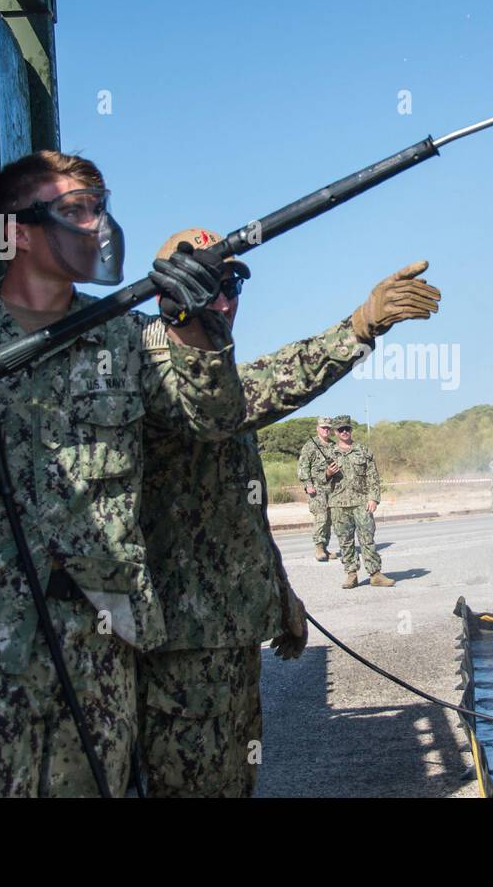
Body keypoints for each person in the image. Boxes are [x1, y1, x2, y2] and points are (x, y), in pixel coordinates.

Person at [0, 151, 244, 797]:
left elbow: (214, 419)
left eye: (101, 207)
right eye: (75, 211)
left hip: (100, 643)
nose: (99, 226)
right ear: (17, 232)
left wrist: (195, 326)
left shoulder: (129, 338)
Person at [139, 232, 440, 795]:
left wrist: (279, 595)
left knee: (232, 779)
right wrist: (355, 330)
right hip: (177, 643)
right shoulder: (154, 365)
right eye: (210, 287)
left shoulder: (214, 371)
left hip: (222, 632)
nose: (226, 301)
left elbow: (234, 514)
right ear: (172, 290)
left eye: (233, 285)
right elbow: (266, 387)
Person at [324, 415, 390, 589]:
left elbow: (373, 477)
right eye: (340, 430)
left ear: (351, 430)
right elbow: (317, 479)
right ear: (335, 432)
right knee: (345, 541)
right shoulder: (329, 453)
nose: (344, 432)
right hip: (339, 503)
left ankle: (375, 574)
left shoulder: (363, 450)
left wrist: (373, 498)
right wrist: (328, 473)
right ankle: (351, 574)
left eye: (347, 428)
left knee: (367, 538)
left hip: (362, 502)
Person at [297, 417, 338, 560]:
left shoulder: (334, 446)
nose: (326, 430)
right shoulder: (310, 445)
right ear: (317, 428)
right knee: (321, 516)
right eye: (323, 427)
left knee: (329, 519)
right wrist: (308, 484)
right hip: (316, 487)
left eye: (328, 428)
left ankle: (325, 547)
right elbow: (303, 467)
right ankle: (319, 548)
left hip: (332, 487)